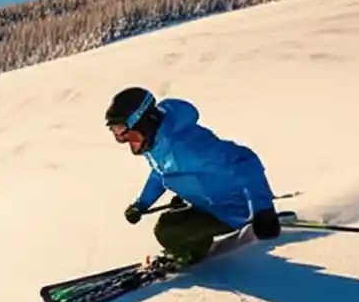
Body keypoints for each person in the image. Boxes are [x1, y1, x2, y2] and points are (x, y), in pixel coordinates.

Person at [105, 86, 282, 268]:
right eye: (115, 132)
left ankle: (192, 254)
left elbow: (245, 161)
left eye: (124, 131)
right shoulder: (157, 145)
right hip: (208, 205)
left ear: (145, 122)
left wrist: (263, 210)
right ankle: (193, 246)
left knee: (169, 232)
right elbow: (160, 174)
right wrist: (141, 204)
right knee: (168, 221)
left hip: (234, 209)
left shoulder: (189, 146)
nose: (125, 140)